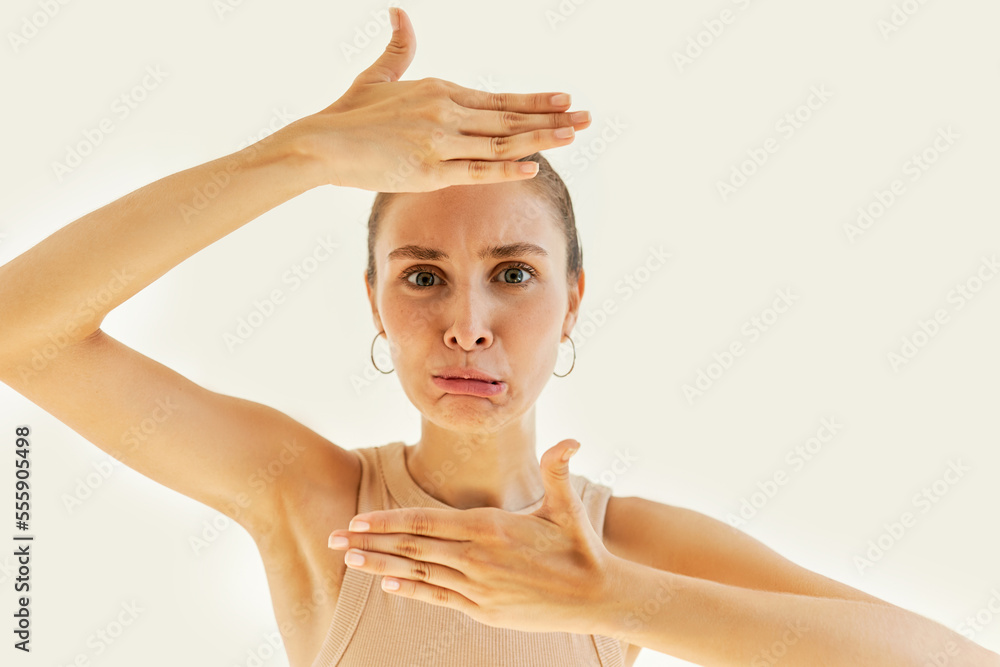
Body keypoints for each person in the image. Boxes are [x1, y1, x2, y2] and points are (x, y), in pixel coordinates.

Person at [1, 7, 997, 666]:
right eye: (423, 276)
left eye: (512, 275)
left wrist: (619, 599)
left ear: (570, 301)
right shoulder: (319, 508)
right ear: (374, 301)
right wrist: (298, 156)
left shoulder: (620, 546)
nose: (466, 326)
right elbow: (19, 334)